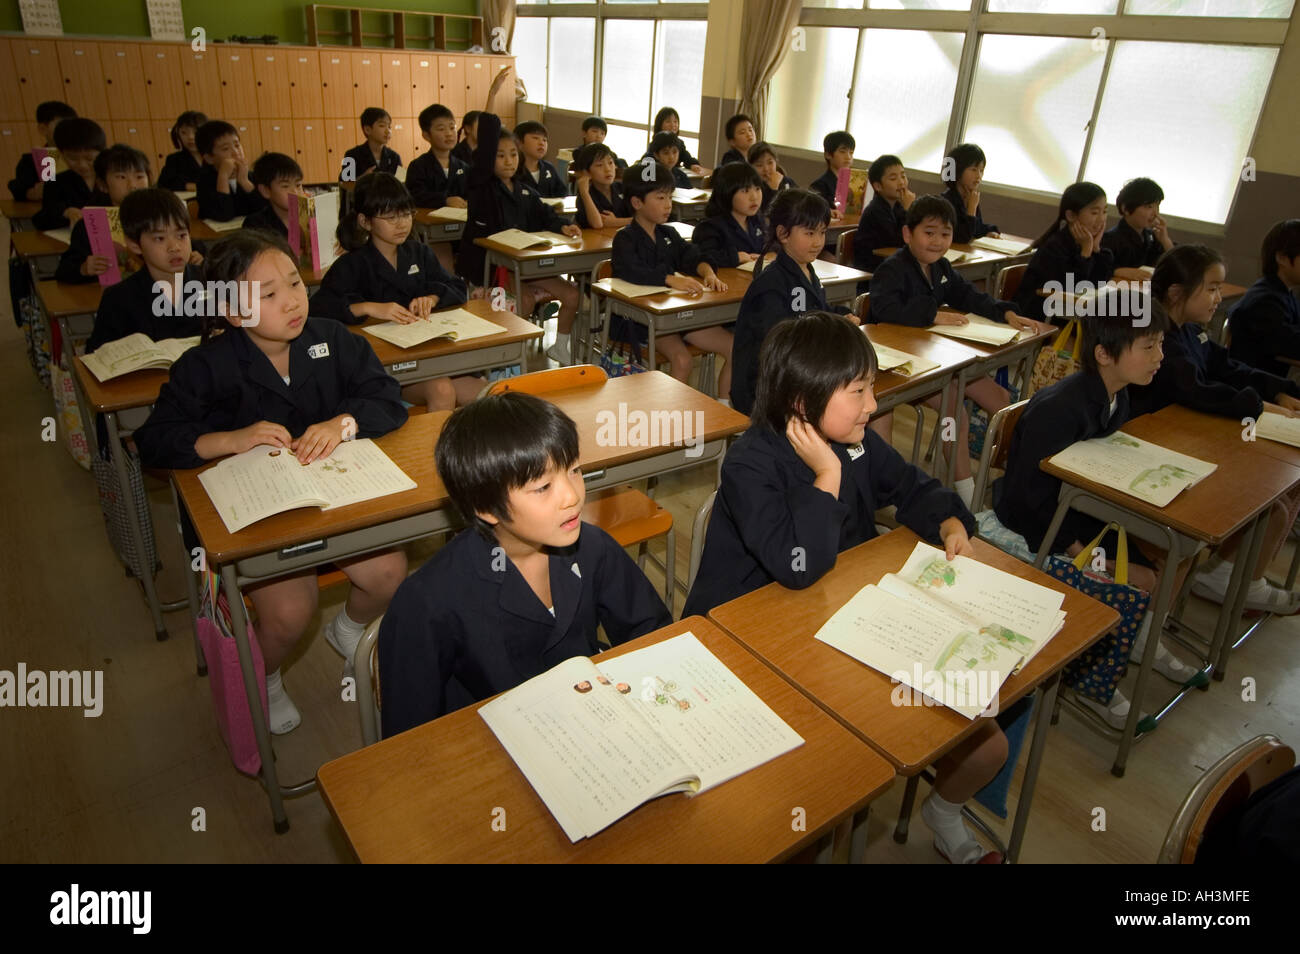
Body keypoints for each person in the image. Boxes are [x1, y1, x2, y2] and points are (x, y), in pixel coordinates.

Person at [683, 313, 1005, 865]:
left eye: (871, 388)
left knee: (988, 744)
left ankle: (943, 811)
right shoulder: (750, 465)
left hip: (839, 623)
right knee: (814, 801)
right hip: (749, 643)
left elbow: (912, 486)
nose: (873, 406)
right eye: (858, 391)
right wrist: (826, 476)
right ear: (804, 404)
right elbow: (797, 565)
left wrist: (951, 522)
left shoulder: (856, 445)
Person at [135, 231, 409, 734]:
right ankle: (268, 674)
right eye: (269, 294)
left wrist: (341, 423)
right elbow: (153, 440)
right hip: (262, 518)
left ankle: (346, 630)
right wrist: (229, 440)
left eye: (294, 283)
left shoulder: (332, 337)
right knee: (289, 611)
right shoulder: (206, 365)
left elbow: (388, 399)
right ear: (233, 312)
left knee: (389, 572)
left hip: (334, 502)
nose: (293, 300)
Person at [377, 391, 672, 735]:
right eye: (543, 486)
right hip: (493, 746)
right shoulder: (428, 601)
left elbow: (651, 632)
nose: (572, 496)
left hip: (589, 723)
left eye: (575, 470)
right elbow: (410, 738)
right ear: (486, 507)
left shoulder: (592, 547)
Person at [994, 302, 1198, 724]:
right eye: (1148, 347)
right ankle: (1097, 680)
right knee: (1142, 578)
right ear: (1105, 354)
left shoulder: (1114, 395)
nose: (1160, 357)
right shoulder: (1061, 407)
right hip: (1038, 519)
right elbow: (1026, 496)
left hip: (1082, 508)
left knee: (1179, 553)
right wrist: (1072, 543)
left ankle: (1138, 638)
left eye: (1160, 344)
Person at [1129, 244, 1300, 615]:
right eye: (1211, 288)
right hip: (1158, 447)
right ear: (1176, 293)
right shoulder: (1157, 334)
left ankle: (1230, 574)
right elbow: (1193, 390)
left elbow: (1226, 366)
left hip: (1191, 436)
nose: (1219, 298)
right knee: (1271, 503)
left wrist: (1280, 389)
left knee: (1284, 495)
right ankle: (1223, 577)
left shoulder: (1192, 331)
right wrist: (1258, 405)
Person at [867, 195, 1039, 505]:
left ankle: (1009, 478)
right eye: (928, 233)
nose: (937, 242)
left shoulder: (942, 267)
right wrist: (931, 314)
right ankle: (967, 495)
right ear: (908, 234)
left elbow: (970, 296)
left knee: (1001, 399)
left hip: (938, 359)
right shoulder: (892, 269)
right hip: (905, 366)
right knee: (953, 412)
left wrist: (1006, 312)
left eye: (945, 234)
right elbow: (884, 309)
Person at [311, 172, 477, 410]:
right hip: (380, 368)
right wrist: (367, 307)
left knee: (489, 393)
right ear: (365, 221)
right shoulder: (353, 263)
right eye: (390, 217)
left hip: (425, 354)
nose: (401, 223)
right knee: (442, 389)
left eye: (406, 213)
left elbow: (457, 286)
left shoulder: (419, 252)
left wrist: (432, 298)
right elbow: (318, 308)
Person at [456, 112, 581, 365]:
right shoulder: (481, 188)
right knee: (522, 300)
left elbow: (546, 215)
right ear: (488, 158)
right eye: (500, 155)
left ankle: (560, 347)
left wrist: (564, 227)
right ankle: (512, 354)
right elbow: (482, 156)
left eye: (513, 154)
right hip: (493, 267)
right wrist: (491, 105)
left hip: (525, 264)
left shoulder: (525, 190)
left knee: (571, 296)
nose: (509, 161)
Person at [611, 161, 733, 393]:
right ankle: (670, 424)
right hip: (643, 322)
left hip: (677, 317)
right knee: (683, 360)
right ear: (637, 203)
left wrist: (707, 272)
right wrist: (670, 279)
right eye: (660, 198)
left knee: (734, 346)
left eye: (669, 197)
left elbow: (692, 255)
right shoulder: (625, 238)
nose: (668, 205)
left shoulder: (668, 233)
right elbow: (632, 270)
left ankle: (725, 408)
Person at [730, 188, 854, 415]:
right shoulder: (772, 283)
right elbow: (780, 344)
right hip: (765, 389)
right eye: (809, 234)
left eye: (822, 232)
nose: (818, 242)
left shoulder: (806, 269)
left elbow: (816, 311)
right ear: (783, 234)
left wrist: (841, 317)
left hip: (797, 374)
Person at [85, 188, 204, 352]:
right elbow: (98, 355)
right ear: (134, 245)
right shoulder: (118, 299)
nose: (175, 247)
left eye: (181, 235)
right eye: (159, 238)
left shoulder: (212, 283)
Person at [1014, 182, 1114, 323]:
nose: (1101, 219)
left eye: (1104, 212)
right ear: (1071, 215)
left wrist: (1096, 249)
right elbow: (1074, 288)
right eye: (1094, 212)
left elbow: (1099, 283)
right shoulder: (1054, 246)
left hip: (1066, 315)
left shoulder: (1089, 243)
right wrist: (1086, 253)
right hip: (1038, 316)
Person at [54, 144, 153, 284]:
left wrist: (193, 256)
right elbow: (64, 271)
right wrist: (84, 268)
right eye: (121, 177)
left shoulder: (162, 217)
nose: (133, 185)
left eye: (139, 176)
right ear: (102, 185)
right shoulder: (91, 224)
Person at [1227, 218, 1300, 378]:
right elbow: (1292, 344)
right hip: (1252, 388)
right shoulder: (1265, 301)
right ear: (1282, 258)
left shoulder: (1283, 292)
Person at [32, 117, 106, 230]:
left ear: (102, 153)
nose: (82, 165)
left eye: (89, 158)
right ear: (62, 155)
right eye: (73, 158)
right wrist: (65, 212)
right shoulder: (56, 183)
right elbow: (41, 219)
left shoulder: (111, 178)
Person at [691, 161, 765, 269]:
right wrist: (735, 257)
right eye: (745, 191)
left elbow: (773, 243)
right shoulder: (709, 228)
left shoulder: (757, 221)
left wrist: (771, 253)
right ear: (727, 193)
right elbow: (703, 257)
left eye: (757, 189)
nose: (754, 197)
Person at [853, 154, 914, 273]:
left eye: (903, 176)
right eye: (893, 179)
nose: (901, 182)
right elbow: (898, 240)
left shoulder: (897, 206)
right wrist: (908, 209)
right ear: (878, 186)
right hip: (873, 270)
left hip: (891, 264)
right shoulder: (875, 210)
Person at [194, 120, 265, 221]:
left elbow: (264, 209)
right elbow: (224, 215)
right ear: (209, 158)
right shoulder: (205, 181)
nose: (236, 152)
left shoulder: (252, 177)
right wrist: (223, 176)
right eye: (225, 149)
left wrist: (244, 181)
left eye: (237, 145)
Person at [8, 100, 76, 202]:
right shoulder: (30, 161)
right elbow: (18, 187)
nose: (67, 131)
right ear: (43, 129)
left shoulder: (81, 158)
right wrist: (30, 193)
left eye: (72, 126)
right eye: (60, 125)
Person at [1102, 177, 1174, 270]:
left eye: (1157, 206)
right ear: (1126, 209)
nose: (1155, 213)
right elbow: (1101, 270)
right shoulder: (1111, 239)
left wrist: (1165, 240)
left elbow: (1175, 264)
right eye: (1149, 207)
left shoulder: (1150, 235)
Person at [406, 103, 469, 210]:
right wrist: (444, 200)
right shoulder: (418, 166)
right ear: (426, 135)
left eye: (452, 127)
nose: (449, 133)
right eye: (441, 129)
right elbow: (415, 196)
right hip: (431, 223)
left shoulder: (463, 166)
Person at [940, 142, 1000, 245]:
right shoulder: (945, 202)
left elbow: (977, 229)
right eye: (973, 170)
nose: (979, 176)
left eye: (981, 170)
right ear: (958, 170)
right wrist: (971, 209)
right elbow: (962, 237)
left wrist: (990, 231)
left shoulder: (970, 196)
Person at [240, 151, 304, 238]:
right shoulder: (256, 225)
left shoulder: (309, 217)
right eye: (285, 186)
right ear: (265, 191)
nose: (295, 192)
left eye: (298, 185)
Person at [573, 142, 630, 230]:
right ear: (587, 172)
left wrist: (616, 222)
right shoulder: (586, 195)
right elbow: (597, 224)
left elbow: (644, 218)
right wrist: (584, 192)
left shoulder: (622, 188)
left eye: (610, 163)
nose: (607, 169)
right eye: (599, 165)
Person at [340, 107, 401, 181]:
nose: (388, 131)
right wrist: (362, 179)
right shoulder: (351, 155)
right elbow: (345, 185)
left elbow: (402, 184)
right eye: (382, 126)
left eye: (389, 127)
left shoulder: (395, 157)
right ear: (367, 129)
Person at [513, 120, 567, 198]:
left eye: (544, 140)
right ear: (519, 143)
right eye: (535, 138)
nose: (541, 143)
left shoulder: (548, 168)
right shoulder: (513, 170)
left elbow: (562, 193)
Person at [157, 110, 208, 192]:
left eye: (195, 132)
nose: (190, 137)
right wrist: (192, 186)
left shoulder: (216, 156)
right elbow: (164, 185)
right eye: (184, 133)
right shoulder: (174, 160)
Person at [649, 107, 704, 174]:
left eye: (675, 121)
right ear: (660, 124)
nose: (673, 125)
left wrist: (692, 164)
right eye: (668, 121)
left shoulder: (679, 143)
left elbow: (687, 157)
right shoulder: (655, 144)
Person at [808, 130, 855, 209]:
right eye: (842, 152)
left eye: (851, 152)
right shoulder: (819, 185)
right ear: (828, 155)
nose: (848, 157)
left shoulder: (854, 183)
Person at [748, 141, 796, 213]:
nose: (766, 169)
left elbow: (799, 203)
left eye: (770, 162)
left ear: (776, 162)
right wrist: (773, 189)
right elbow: (765, 213)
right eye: (759, 165)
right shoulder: (752, 187)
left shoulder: (787, 181)